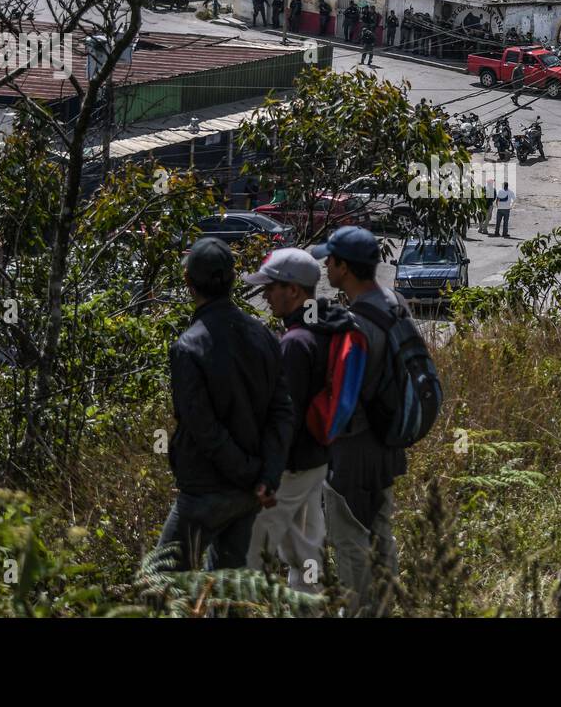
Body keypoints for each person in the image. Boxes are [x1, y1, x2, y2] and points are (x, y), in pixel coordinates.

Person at [157, 237, 294, 571]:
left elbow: (204, 430)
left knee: (159, 584)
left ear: (188, 283)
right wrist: (265, 476)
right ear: (233, 281)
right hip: (249, 494)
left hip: (206, 490)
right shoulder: (264, 335)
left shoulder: (188, 348)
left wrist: (250, 474)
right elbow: (283, 412)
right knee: (227, 594)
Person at [311, 226, 414, 614]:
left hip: (353, 451)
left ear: (344, 268)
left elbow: (343, 399)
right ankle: (385, 607)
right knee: (381, 532)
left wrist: (323, 442)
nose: (326, 267)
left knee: (351, 541)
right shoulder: (395, 302)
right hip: (388, 445)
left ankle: (360, 611)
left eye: (331, 261)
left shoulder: (354, 324)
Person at [244, 249, 330, 593]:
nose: (265, 295)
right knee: (305, 552)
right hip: (316, 462)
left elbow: (284, 417)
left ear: (293, 290)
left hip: (290, 469)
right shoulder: (324, 329)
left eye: (271, 287)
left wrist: (267, 474)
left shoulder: (294, 343)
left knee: (249, 552)